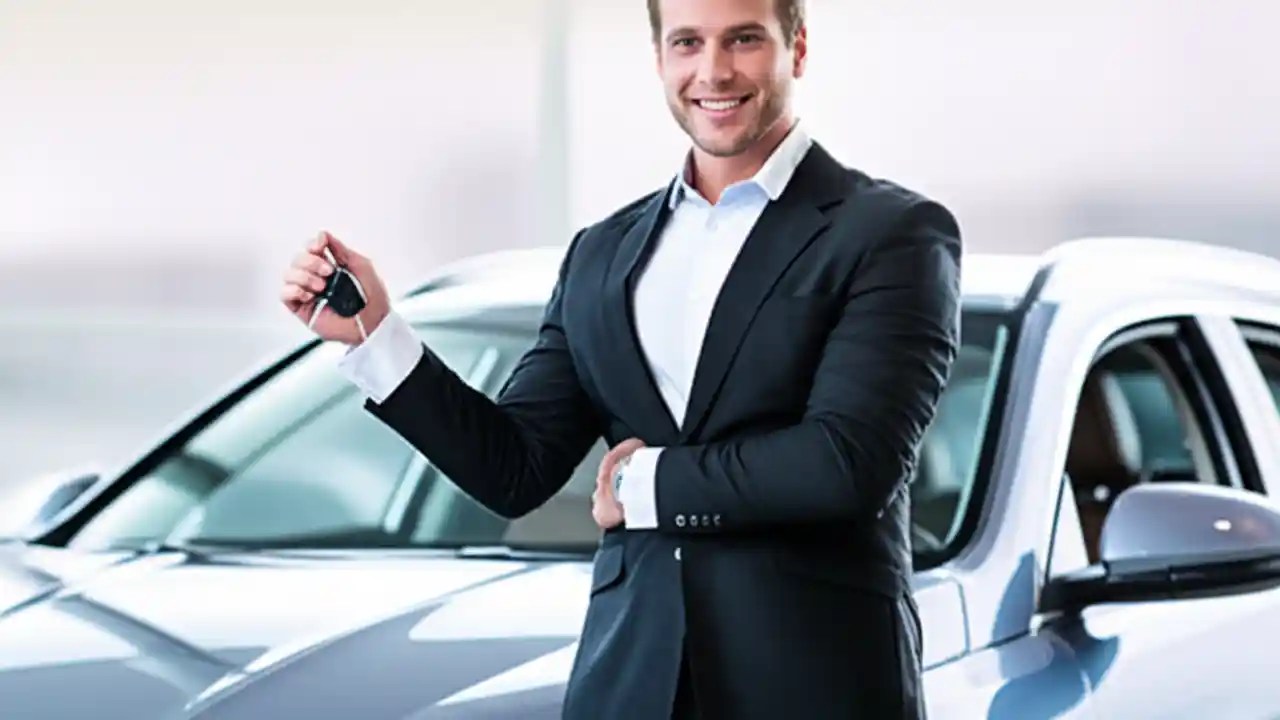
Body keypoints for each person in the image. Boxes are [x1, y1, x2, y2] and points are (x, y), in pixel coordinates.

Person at [280, 0, 961, 716]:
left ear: (797, 49)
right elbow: (513, 469)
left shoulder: (891, 234)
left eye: (744, 40)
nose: (713, 71)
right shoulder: (601, 254)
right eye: (687, 43)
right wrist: (375, 336)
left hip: (813, 684)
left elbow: (847, 465)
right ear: (660, 59)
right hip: (628, 683)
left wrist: (644, 485)